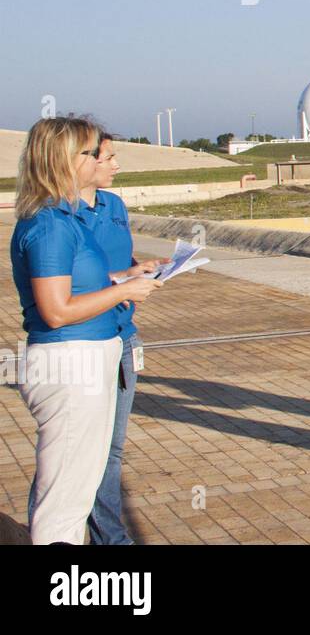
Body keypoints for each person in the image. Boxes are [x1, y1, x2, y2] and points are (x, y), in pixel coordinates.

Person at [10, 117, 163, 544]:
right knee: (64, 505)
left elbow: (78, 284)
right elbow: (56, 311)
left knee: (75, 494)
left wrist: (122, 279)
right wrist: (125, 290)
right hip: (71, 365)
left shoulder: (68, 218)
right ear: (63, 159)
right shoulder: (49, 225)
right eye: (92, 153)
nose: (101, 160)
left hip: (90, 359)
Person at [75, 130, 169, 544]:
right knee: (79, 454)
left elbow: (115, 262)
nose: (116, 164)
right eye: (108, 157)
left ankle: (106, 537)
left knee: (111, 450)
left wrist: (140, 269)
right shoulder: (57, 217)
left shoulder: (114, 205)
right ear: (81, 160)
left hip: (122, 336)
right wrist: (122, 285)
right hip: (85, 343)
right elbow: (63, 294)